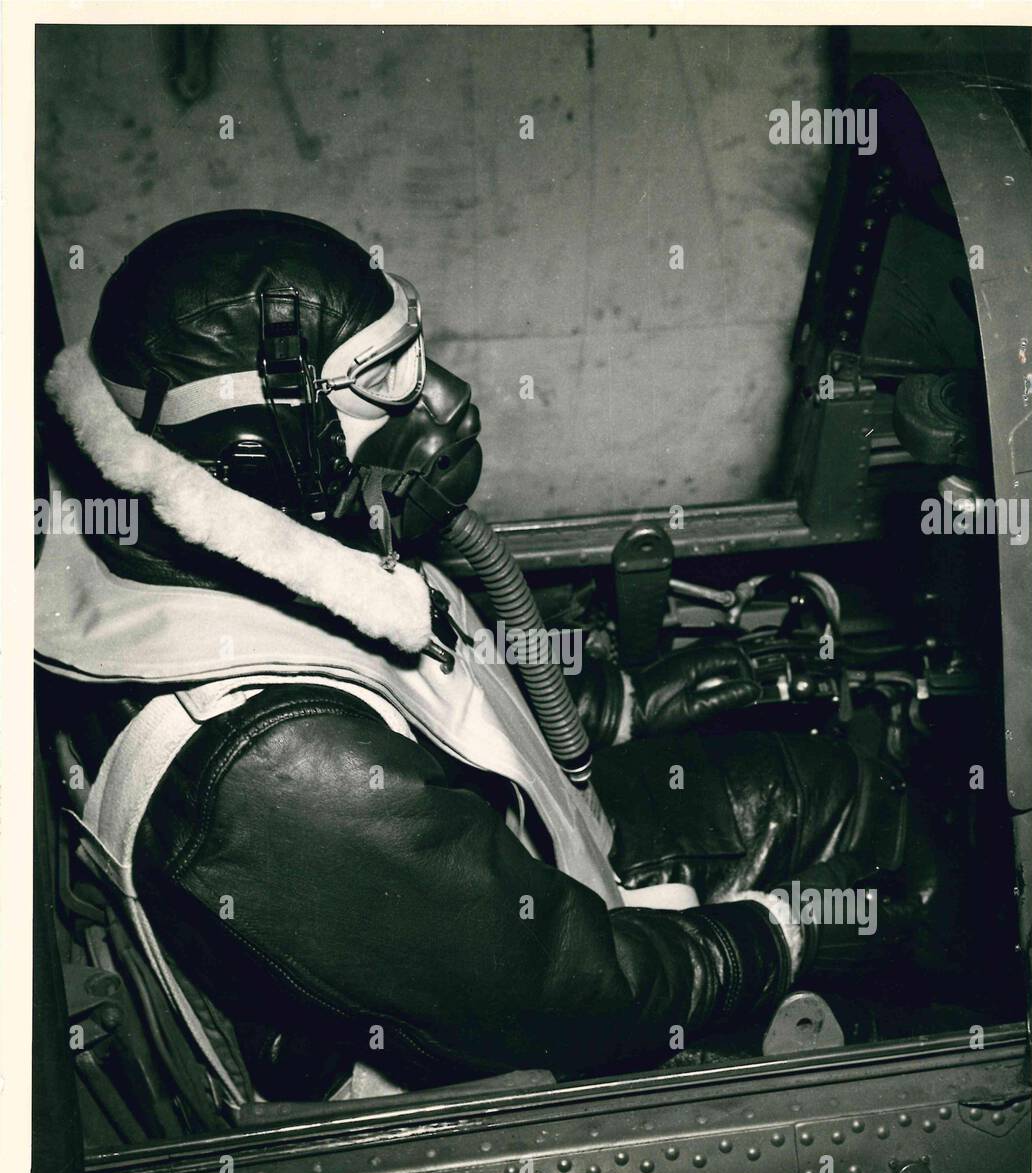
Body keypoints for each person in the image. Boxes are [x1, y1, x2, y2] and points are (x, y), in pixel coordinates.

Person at [36, 210, 926, 1108]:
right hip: (513, 1014)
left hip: (474, 884)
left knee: (840, 789)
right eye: (382, 378)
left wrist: (620, 703)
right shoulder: (277, 765)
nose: (446, 400)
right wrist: (783, 934)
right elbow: (574, 999)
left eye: (412, 346)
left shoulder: (213, 537)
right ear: (254, 448)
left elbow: (413, 690)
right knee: (897, 888)